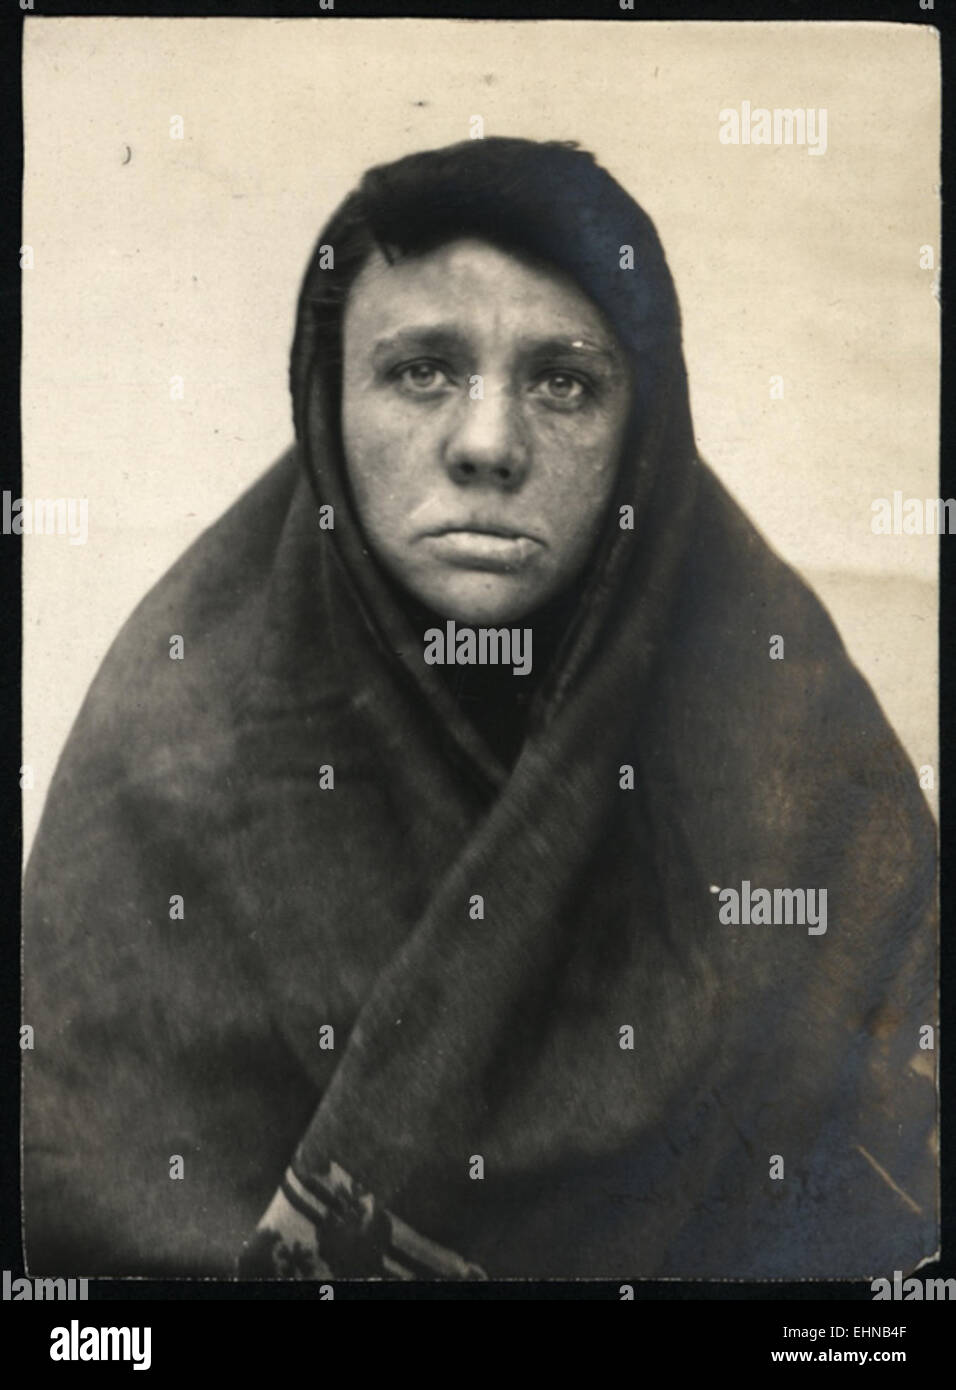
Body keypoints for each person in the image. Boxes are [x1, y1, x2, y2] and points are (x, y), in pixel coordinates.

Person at [23, 137, 937, 1281]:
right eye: (420, 370)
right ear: (325, 396)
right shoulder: (168, 765)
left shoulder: (790, 747)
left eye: (563, 381)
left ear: (644, 428)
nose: (488, 445)